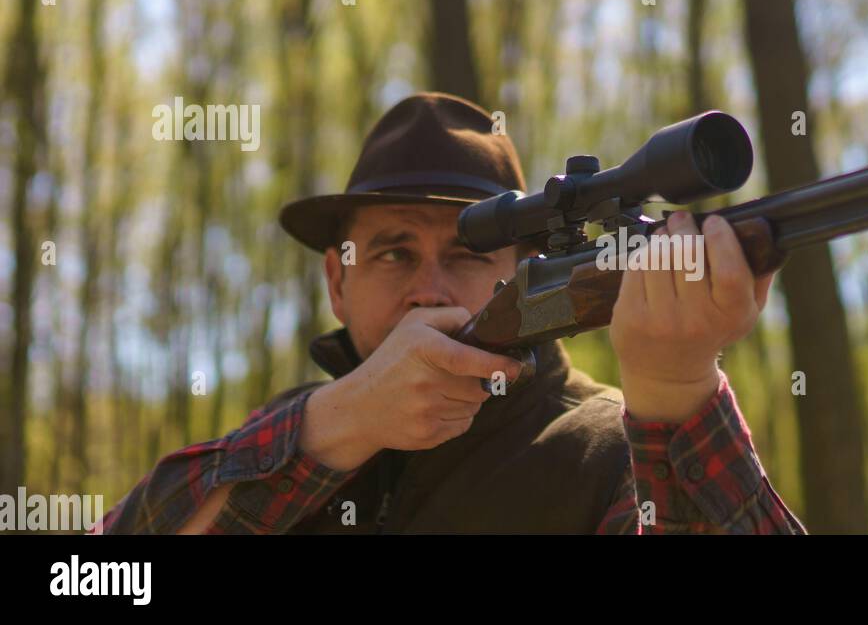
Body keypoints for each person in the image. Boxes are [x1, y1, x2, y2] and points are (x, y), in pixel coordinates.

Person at [100, 93, 805, 534]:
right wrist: (341, 421)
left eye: (468, 253)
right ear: (336, 281)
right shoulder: (292, 434)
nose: (429, 289)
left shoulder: (608, 448)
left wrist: (678, 395)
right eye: (392, 253)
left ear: (525, 270)